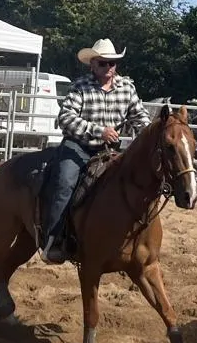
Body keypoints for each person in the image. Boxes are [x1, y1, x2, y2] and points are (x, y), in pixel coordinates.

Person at [39, 38, 149, 264]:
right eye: (102, 63)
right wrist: (99, 131)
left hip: (109, 151)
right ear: (93, 65)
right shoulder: (80, 86)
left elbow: (140, 118)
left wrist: (152, 136)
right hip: (78, 146)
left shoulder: (127, 88)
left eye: (112, 63)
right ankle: (54, 239)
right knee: (65, 182)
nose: (108, 68)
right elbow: (66, 118)